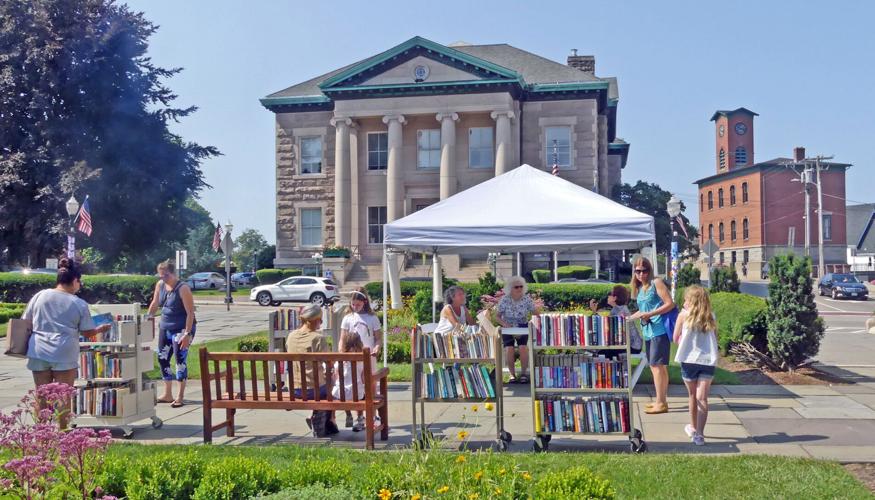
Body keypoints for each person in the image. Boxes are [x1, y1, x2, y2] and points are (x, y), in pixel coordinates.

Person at [23, 258, 112, 427]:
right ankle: (63, 431)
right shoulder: (78, 303)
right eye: (80, 282)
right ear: (74, 281)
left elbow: (26, 320)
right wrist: (100, 329)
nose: (80, 285)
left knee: (41, 395)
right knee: (63, 396)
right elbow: (87, 331)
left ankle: (42, 433)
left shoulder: (39, 296)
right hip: (63, 350)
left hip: (38, 349)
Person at [672, 285, 719, 446]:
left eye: (686, 299)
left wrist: (685, 342)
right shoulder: (711, 316)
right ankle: (700, 434)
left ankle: (692, 427)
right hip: (707, 361)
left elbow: (675, 337)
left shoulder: (683, 316)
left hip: (689, 360)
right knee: (703, 398)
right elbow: (715, 337)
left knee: (692, 396)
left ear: (691, 301)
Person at [146, 260, 196, 408]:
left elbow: (190, 313)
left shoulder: (183, 288)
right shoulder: (160, 285)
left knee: (180, 361)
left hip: (181, 329)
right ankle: (167, 394)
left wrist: (187, 333)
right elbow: (155, 304)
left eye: (166, 275)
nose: (163, 278)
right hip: (165, 327)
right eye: (160, 275)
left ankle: (180, 396)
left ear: (174, 273)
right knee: (162, 358)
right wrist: (147, 318)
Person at [629, 256, 675, 415]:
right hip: (648, 332)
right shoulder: (641, 289)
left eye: (644, 270)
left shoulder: (657, 283)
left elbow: (670, 304)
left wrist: (650, 313)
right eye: (637, 271)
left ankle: (661, 402)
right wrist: (630, 317)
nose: (641, 274)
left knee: (656, 367)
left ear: (649, 271)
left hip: (659, 330)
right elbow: (643, 310)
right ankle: (661, 400)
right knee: (658, 367)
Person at [286, 303, 338, 437]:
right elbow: (330, 363)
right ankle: (327, 419)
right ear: (315, 321)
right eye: (320, 320)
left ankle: (323, 419)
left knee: (325, 383)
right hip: (312, 390)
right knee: (331, 383)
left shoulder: (291, 336)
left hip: (294, 389)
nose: (321, 323)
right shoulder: (318, 338)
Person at [340, 287, 383, 429]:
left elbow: (378, 339)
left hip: (368, 356)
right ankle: (359, 417)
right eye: (353, 304)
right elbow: (342, 338)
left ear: (364, 302)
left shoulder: (372, 318)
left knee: (370, 385)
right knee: (355, 385)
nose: (355, 307)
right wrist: (342, 353)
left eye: (358, 304)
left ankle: (373, 415)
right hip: (352, 357)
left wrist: (377, 348)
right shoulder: (348, 318)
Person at [496, 276, 543, 384]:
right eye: (516, 287)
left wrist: (536, 320)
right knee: (509, 349)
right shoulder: (504, 299)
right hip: (507, 326)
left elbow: (536, 313)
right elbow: (497, 316)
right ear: (510, 288)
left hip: (522, 325)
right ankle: (512, 375)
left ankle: (523, 374)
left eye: (521, 286)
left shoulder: (526, 299)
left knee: (523, 347)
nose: (519, 289)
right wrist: (505, 324)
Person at [332, 329, 371, 432]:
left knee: (341, 392)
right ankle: (359, 419)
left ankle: (341, 416)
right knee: (361, 393)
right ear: (359, 345)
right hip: (357, 395)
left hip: (340, 394)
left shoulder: (340, 361)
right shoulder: (362, 361)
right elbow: (363, 380)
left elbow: (335, 376)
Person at [589, 284, 643, 353]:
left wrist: (594, 311)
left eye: (609, 294)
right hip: (629, 344)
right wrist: (594, 311)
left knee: (602, 352)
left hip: (633, 346)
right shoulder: (617, 309)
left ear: (615, 298)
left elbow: (606, 327)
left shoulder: (620, 311)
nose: (608, 296)